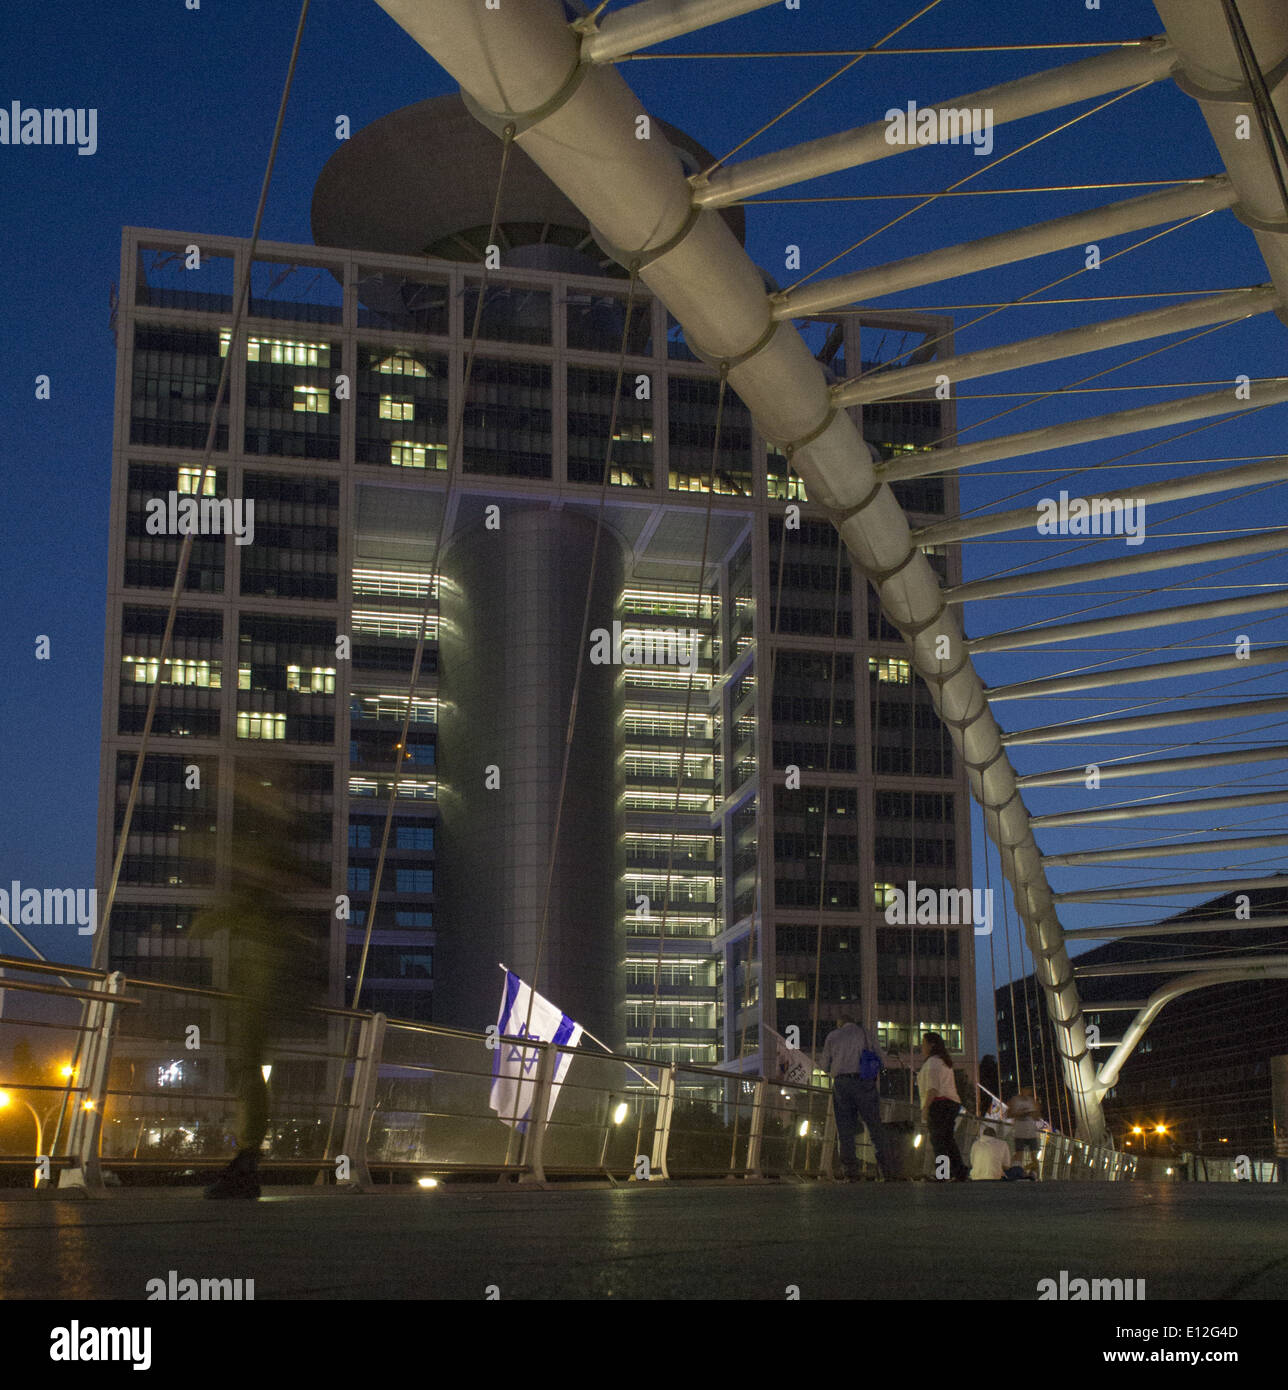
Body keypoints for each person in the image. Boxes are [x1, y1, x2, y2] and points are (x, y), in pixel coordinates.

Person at [820, 1014, 898, 1181]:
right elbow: (881, 1060)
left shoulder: (833, 1036)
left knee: (845, 1128)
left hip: (842, 1083)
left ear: (840, 1023)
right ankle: (886, 1170)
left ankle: (850, 1171)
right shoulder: (866, 1034)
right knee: (874, 1126)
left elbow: (824, 1065)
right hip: (864, 1082)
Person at [918, 1032, 968, 1181]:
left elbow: (932, 1088)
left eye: (924, 1043)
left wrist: (926, 1107)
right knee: (947, 1139)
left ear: (931, 1045)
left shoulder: (932, 1062)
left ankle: (943, 1174)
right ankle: (959, 1172)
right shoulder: (944, 1062)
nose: (922, 1047)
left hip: (939, 1103)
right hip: (951, 1103)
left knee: (938, 1140)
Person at [1006, 1089, 1043, 1177]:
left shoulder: (1032, 1101)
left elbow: (1037, 1117)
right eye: (1026, 1089)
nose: (1028, 1091)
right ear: (1022, 1090)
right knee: (1019, 1154)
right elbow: (1009, 1114)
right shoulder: (1015, 1100)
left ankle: (1028, 1172)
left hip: (1031, 1132)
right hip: (1020, 1132)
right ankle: (1017, 1172)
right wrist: (1022, 1114)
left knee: (1034, 1157)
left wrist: (1035, 1112)